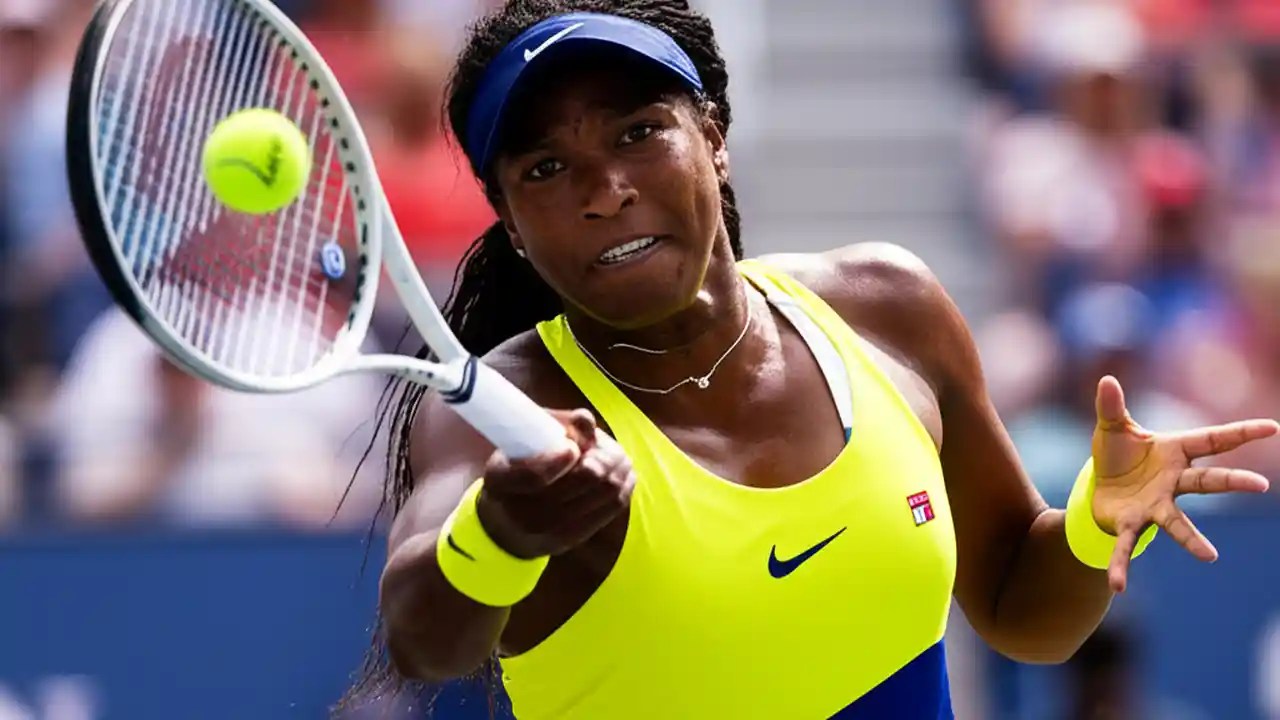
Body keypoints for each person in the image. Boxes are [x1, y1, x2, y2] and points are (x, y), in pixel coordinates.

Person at [348, 1, 1279, 718]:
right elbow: (424, 635)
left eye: (639, 132)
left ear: (712, 140)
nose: (606, 191)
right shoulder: (503, 406)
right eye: (546, 169)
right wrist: (501, 534)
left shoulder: (887, 307)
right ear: (509, 222)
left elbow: (1017, 607)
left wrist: (1090, 524)